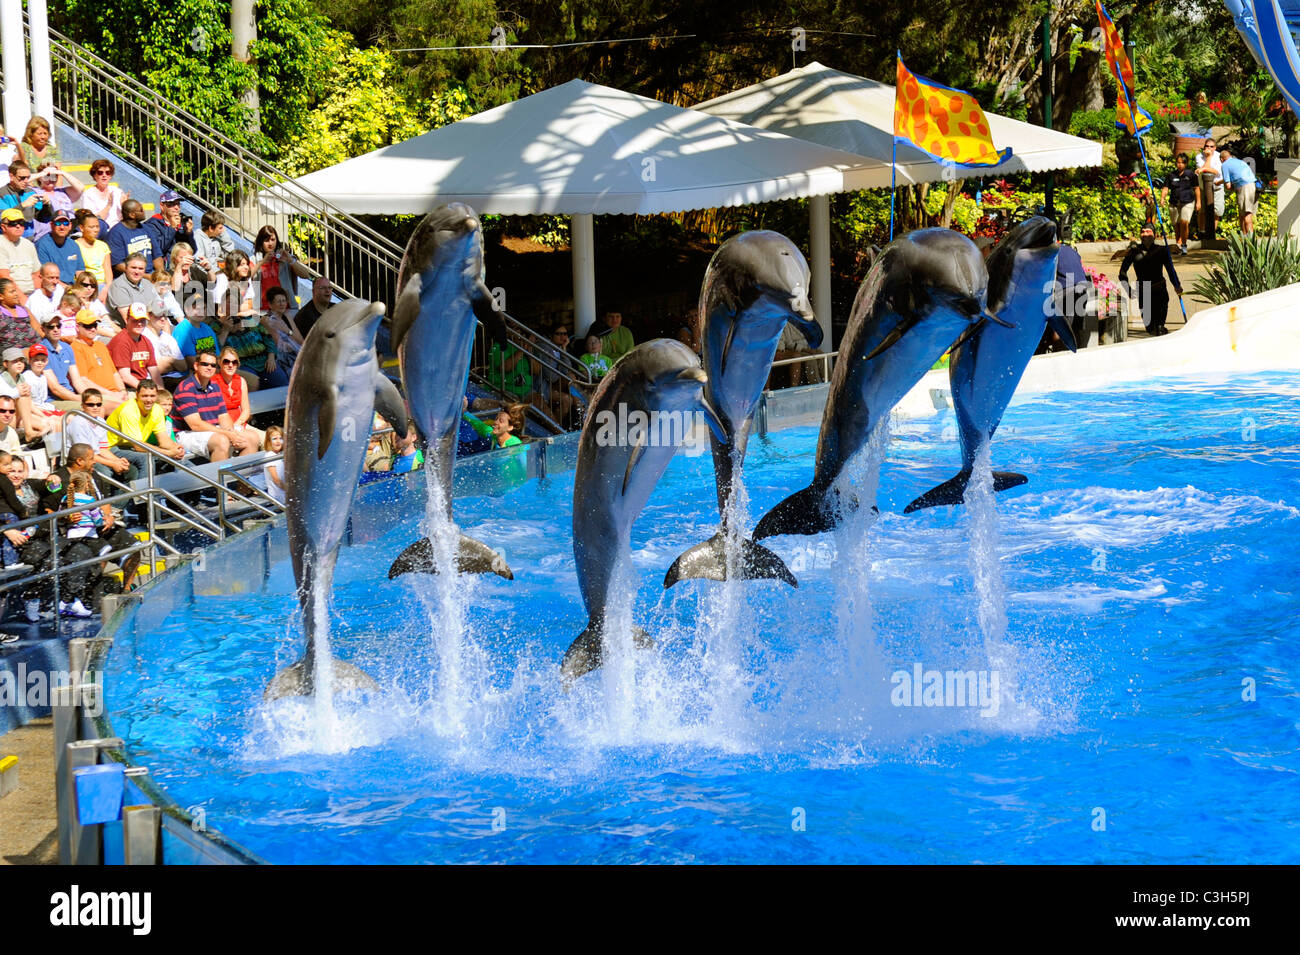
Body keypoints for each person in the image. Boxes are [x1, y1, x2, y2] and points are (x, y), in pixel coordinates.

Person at [40, 441, 142, 593]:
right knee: (102, 552)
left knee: (135, 549)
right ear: (80, 461)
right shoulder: (59, 479)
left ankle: (126, 590)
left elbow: (104, 500)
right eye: (91, 458)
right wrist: (65, 518)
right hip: (78, 533)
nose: (95, 461)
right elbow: (47, 509)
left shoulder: (93, 474)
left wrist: (108, 516)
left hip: (100, 526)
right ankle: (88, 594)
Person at [172, 351, 255, 460]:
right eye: (205, 364)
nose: (209, 367)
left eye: (213, 365)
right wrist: (228, 435)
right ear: (196, 365)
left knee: (251, 437)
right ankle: (219, 477)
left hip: (212, 429)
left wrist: (231, 432)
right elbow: (195, 425)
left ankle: (244, 475)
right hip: (187, 433)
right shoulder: (186, 388)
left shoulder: (214, 386)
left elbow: (223, 416)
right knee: (222, 440)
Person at [105, 379, 185, 477]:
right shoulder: (128, 411)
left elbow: (163, 439)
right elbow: (138, 446)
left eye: (152, 396)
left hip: (130, 447)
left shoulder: (157, 410)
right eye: (144, 396)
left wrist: (176, 449)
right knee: (146, 458)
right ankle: (146, 492)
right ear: (137, 395)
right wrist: (168, 453)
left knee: (180, 457)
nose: (148, 400)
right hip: (111, 448)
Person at [1119, 224, 1184, 337]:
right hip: (1144, 292)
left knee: (1159, 327)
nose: (1145, 234)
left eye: (1148, 231)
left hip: (1160, 292)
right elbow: (1122, 273)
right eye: (1143, 232)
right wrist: (1127, 289)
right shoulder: (1133, 252)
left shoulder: (1162, 251)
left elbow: (1171, 271)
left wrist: (1177, 285)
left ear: (1155, 235)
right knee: (1149, 328)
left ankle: (1160, 335)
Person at [66, 388, 134, 480]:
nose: (95, 407)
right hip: (80, 460)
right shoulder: (78, 423)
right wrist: (113, 464)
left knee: (130, 470)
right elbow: (85, 455)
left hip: (95, 456)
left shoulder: (101, 421)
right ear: (83, 406)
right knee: (106, 473)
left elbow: (102, 449)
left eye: (98, 404)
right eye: (91, 404)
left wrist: (118, 461)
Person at [69, 309, 129, 410]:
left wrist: (122, 391)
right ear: (77, 327)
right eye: (88, 326)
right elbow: (84, 380)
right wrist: (111, 394)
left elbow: (115, 374)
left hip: (116, 393)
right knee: (128, 408)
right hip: (99, 396)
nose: (93, 329)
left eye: (95, 325)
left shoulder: (101, 346)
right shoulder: (75, 348)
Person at [216, 307, 284, 390]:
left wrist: (271, 356)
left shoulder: (250, 320)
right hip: (242, 363)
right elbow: (216, 348)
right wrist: (226, 330)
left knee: (281, 382)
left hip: (263, 359)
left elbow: (268, 337)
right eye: (228, 302)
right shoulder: (217, 326)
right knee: (253, 384)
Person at [213, 346, 265, 446]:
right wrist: (231, 429)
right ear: (219, 362)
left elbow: (246, 410)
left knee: (268, 440)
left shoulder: (241, 381)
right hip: (221, 428)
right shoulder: (213, 382)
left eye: (234, 362)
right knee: (248, 441)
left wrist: (237, 425)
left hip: (240, 424)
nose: (230, 365)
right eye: (226, 361)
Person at [0, 346, 54, 441]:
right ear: (5, 364)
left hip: (19, 416)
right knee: (23, 396)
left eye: (21, 361)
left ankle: (53, 454)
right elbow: (4, 401)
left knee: (48, 423)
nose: (19, 364)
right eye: (15, 361)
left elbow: (29, 404)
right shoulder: (2, 379)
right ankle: (28, 432)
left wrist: (43, 415)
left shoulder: (21, 378)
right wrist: (18, 392)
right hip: (6, 415)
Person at [252, 225, 311, 310]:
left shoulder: (285, 258)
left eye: (273, 240)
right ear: (261, 242)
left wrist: (290, 260)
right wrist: (262, 262)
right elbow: (245, 277)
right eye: (266, 240)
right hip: (263, 309)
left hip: (286, 308)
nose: (270, 244)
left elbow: (306, 275)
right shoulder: (254, 260)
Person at [107, 302, 162, 390]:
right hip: (125, 388)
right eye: (135, 320)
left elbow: (155, 372)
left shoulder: (146, 341)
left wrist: (160, 391)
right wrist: (147, 391)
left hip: (142, 386)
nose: (139, 324)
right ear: (127, 319)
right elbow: (125, 377)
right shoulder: (121, 341)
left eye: (142, 320)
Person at [37, 313, 81, 409]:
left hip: (71, 396)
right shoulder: (40, 351)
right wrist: (82, 400)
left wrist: (89, 397)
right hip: (53, 401)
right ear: (43, 329)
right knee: (95, 409)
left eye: (58, 326)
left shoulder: (67, 347)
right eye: (51, 327)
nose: (56, 329)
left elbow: (77, 381)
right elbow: (55, 388)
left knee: (108, 404)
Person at [105, 253, 164, 325]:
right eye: (133, 268)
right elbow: (130, 321)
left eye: (140, 269)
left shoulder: (148, 284)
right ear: (126, 268)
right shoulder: (118, 286)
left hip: (151, 325)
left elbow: (161, 310)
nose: (137, 272)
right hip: (127, 329)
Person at [144, 191, 194, 273]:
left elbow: (192, 250)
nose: (176, 207)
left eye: (178, 204)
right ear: (162, 206)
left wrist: (189, 233)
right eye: (172, 204)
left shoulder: (181, 221)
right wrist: (172, 228)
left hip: (182, 267)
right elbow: (158, 249)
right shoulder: (152, 224)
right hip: (165, 271)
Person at [29, 164, 81, 241]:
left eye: (53, 176)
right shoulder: (34, 191)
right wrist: (42, 173)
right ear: (40, 178)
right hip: (46, 234)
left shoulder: (63, 191)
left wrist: (62, 173)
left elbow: (80, 188)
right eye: (47, 176)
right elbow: (21, 181)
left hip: (69, 232)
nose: (50, 179)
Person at [0, 162, 52, 239]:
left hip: (30, 238)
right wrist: (23, 206)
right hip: (8, 239)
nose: (26, 181)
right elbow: (2, 218)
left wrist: (46, 205)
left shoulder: (30, 192)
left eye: (28, 177)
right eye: (22, 178)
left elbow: (43, 219)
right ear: (11, 176)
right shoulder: (2, 194)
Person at [1162, 153, 1199, 255]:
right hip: (1174, 203)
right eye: (1178, 162)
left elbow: (1196, 188)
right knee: (1176, 224)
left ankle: (1183, 245)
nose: (1180, 165)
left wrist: (1198, 202)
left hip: (1187, 202)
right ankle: (1178, 243)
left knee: (1184, 222)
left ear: (1186, 164)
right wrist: (1162, 198)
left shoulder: (1191, 175)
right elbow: (1165, 188)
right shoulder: (1171, 175)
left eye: (1182, 163)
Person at [106, 200, 156, 276]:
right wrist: (145, 276)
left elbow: (157, 255)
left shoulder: (146, 228)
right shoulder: (115, 233)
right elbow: (118, 265)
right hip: (129, 277)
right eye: (141, 210)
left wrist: (160, 273)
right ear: (132, 215)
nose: (144, 211)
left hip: (151, 274)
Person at [171, 296, 220, 373]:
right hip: (192, 373)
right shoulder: (183, 329)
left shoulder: (207, 328)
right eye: (196, 308)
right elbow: (192, 362)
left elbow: (217, 355)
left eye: (203, 308)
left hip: (212, 369)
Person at [0, 206, 41, 293]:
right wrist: (22, 299)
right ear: (3, 227)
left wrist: (38, 296)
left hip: (32, 294)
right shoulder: (1, 244)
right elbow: (4, 277)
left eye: (21, 223)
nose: (18, 226)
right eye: (13, 223)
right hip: (11, 295)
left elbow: (36, 275)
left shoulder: (29, 245)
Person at [261, 286, 303, 370]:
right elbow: (281, 346)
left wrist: (287, 331)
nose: (282, 304)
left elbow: (301, 341)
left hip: (295, 354)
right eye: (278, 301)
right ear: (270, 304)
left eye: (284, 301)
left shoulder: (287, 316)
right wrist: (292, 337)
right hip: (282, 359)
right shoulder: (267, 320)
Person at [1219, 146, 1257, 236]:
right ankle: (1245, 241)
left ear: (1221, 159)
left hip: (1243, 187)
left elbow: (1228, 186)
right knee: (1242, 214)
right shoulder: (1239, 161)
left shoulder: (1224, 165)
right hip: (1253, 186)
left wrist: (1226, 186)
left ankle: (1250, 243)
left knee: (1246, 216)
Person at [36, 211, 82, 283]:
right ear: (51, 225)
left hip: (72, 287)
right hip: (53, 286)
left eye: (65, 223)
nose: (62, 227)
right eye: (58, 223)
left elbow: (80, 271)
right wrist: (67, 288)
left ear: (70, 225)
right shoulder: (42, 245)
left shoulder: (74, 245)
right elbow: (46, 275)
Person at [80, 160, 128, 229]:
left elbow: (124, 217)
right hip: (100, 230)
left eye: (108, 173)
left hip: (118, 229)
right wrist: (108, 205)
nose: (104, 175)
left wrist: (125, 206)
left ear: (110, 176)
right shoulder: (88, 194)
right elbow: (91, 220)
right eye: (100, 173)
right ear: (94, 175)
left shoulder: (117, 191)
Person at [191, 210, 234, 284]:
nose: (223, 230)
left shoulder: (216, 239)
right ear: (211, 228)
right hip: (205, 278)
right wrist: (217, 273)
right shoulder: (197, 238)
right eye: (220, 228)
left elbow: (230, 254)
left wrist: (224, 235)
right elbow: (199, 262)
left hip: (219, 275)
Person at [213, 250, 257, 320]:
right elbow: (220, 310)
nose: (246, 267)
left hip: (235, 316)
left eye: (247, 264)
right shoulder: (222, 278)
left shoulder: (246, 278)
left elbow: (249, 304)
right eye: (242, 265)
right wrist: (240, 313)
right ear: (234, 265)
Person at [142, 306, 185, 380]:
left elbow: (184, 366)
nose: (163, 319)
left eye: (164, 315)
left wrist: (168, 360)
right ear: (148, 316)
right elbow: (153, 369)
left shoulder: (168, 337)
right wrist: (173, 362)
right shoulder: (143, 336)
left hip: (175, 379)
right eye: (158, 315)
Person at [72, 209, 112, 288]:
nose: (96, 230)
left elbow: (108, 270)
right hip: (85, 285)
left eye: (97, 226)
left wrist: (108, 287)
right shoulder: (75, 245)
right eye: (91, 227)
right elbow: (77, 270)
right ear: (81, 228)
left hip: (102, 285)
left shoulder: (103, 246)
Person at [461, 402, 526, 449]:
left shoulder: (515, 444)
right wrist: (464, 411)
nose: (495, 422)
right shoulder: (494, 436)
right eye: (496, 418)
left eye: (501, 421)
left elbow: (525, 466)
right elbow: (480, 425)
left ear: (510, 427)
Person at [1194, 137, 1223, 241]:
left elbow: (1217, 172)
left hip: (1217, 187)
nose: (1209, 148)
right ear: (1204, 147)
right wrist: (1208, 158)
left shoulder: (1220, 156)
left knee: (1217, 212)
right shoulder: (1199, 157)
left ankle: (1211, 234)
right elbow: (1205, 172)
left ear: (1215, 148)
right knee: (1202, 211)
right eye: (1207, 146)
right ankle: (1202, 233)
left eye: (1211, 147)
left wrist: (1203, 168)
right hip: (1203, 187)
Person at [0, 277, 36, 355]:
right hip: (11, 356)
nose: (16, 294)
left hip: (34, 352)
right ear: (1, 296)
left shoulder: (24, 310)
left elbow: (39, 329)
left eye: (15, 290)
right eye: (12, 292)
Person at [25, 261, 65, 328]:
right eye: (51, 278)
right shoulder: (35, 300)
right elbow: (38, 326)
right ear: (41, 278)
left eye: (57, 278)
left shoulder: (60, 290)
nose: (55, 282)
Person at [261, 425, 286, 505]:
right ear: (269, 441)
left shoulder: (281, 454)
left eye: (280, 438)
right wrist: (289, 490)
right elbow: (276, 479)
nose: (278, 441)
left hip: (285, 492)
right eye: (274, 439)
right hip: (278, 496)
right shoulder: (269, 455)